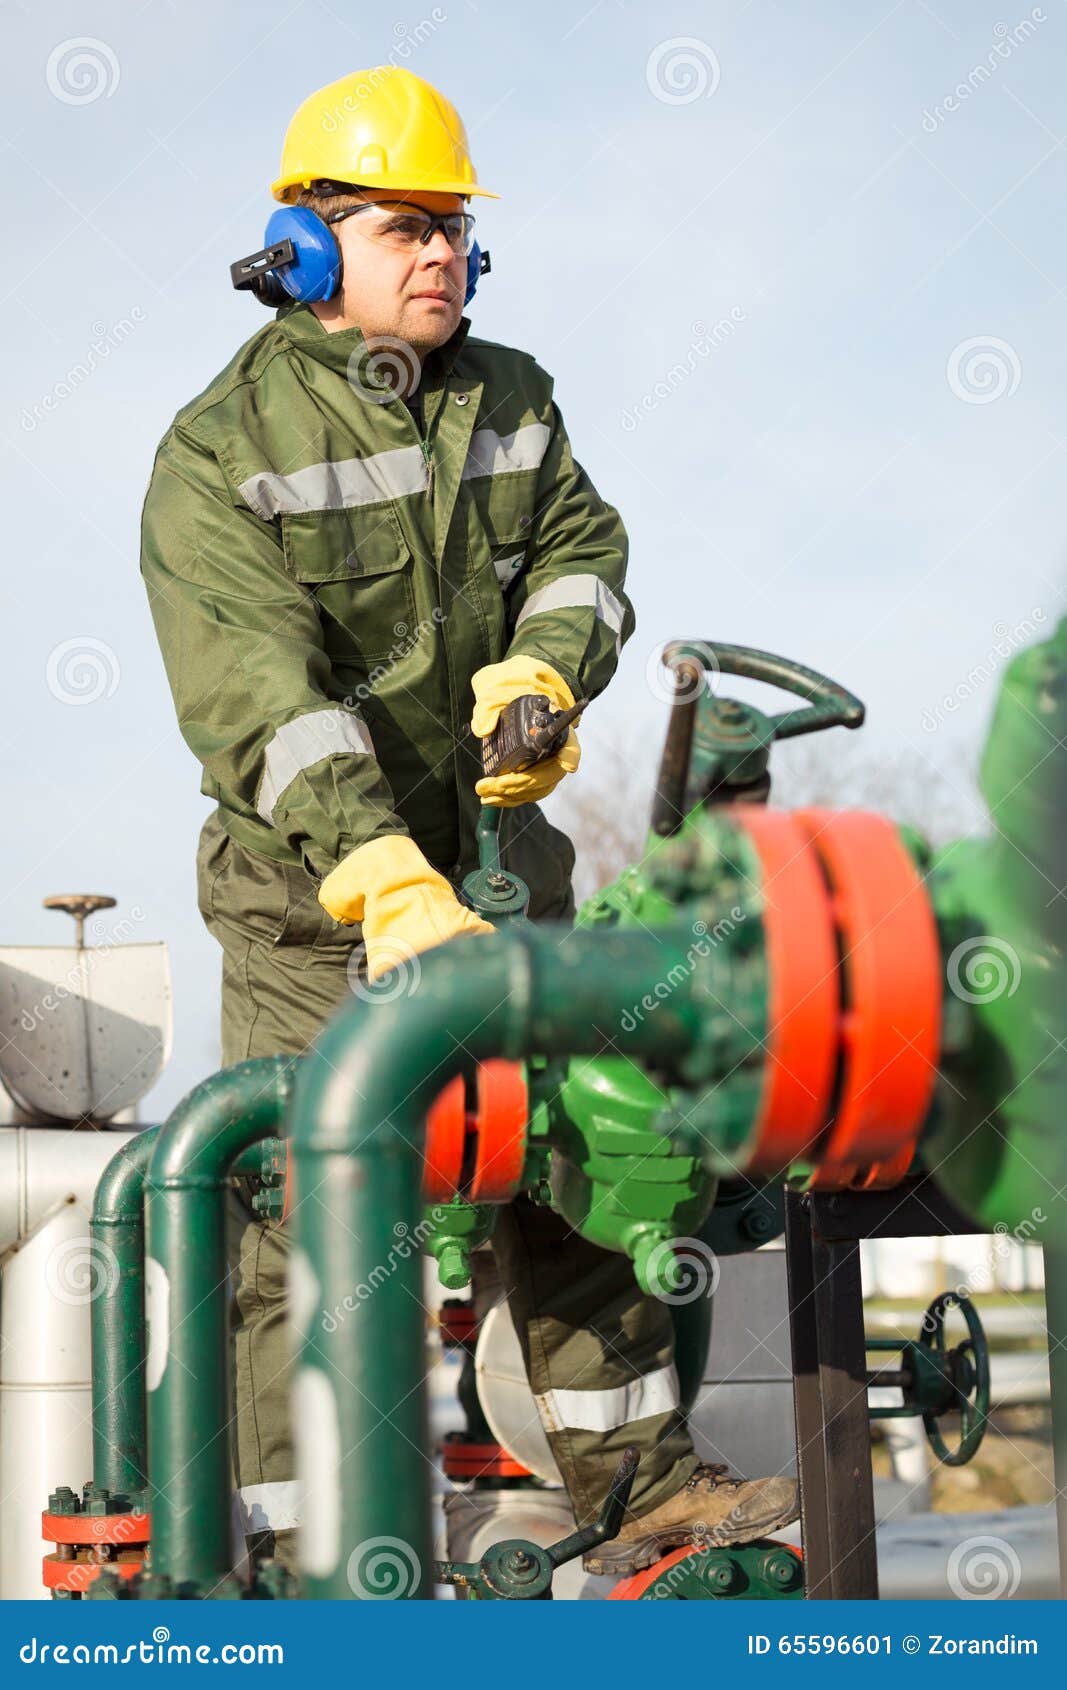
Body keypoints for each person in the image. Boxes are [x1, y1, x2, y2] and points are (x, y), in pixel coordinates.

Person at [140, 65, 797, 1583]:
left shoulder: (515, 397)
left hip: (501, 880)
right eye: (402, 225)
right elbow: (259, 697)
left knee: (581, 1154)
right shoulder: (215, 452)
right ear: (303, 251)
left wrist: (550, 676)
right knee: (317, 1200)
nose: (442, 252)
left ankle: (640, 1489)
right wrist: (377, 871)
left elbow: (585, 551)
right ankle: (309, 1542)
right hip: (314, 901)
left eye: (454, 226)